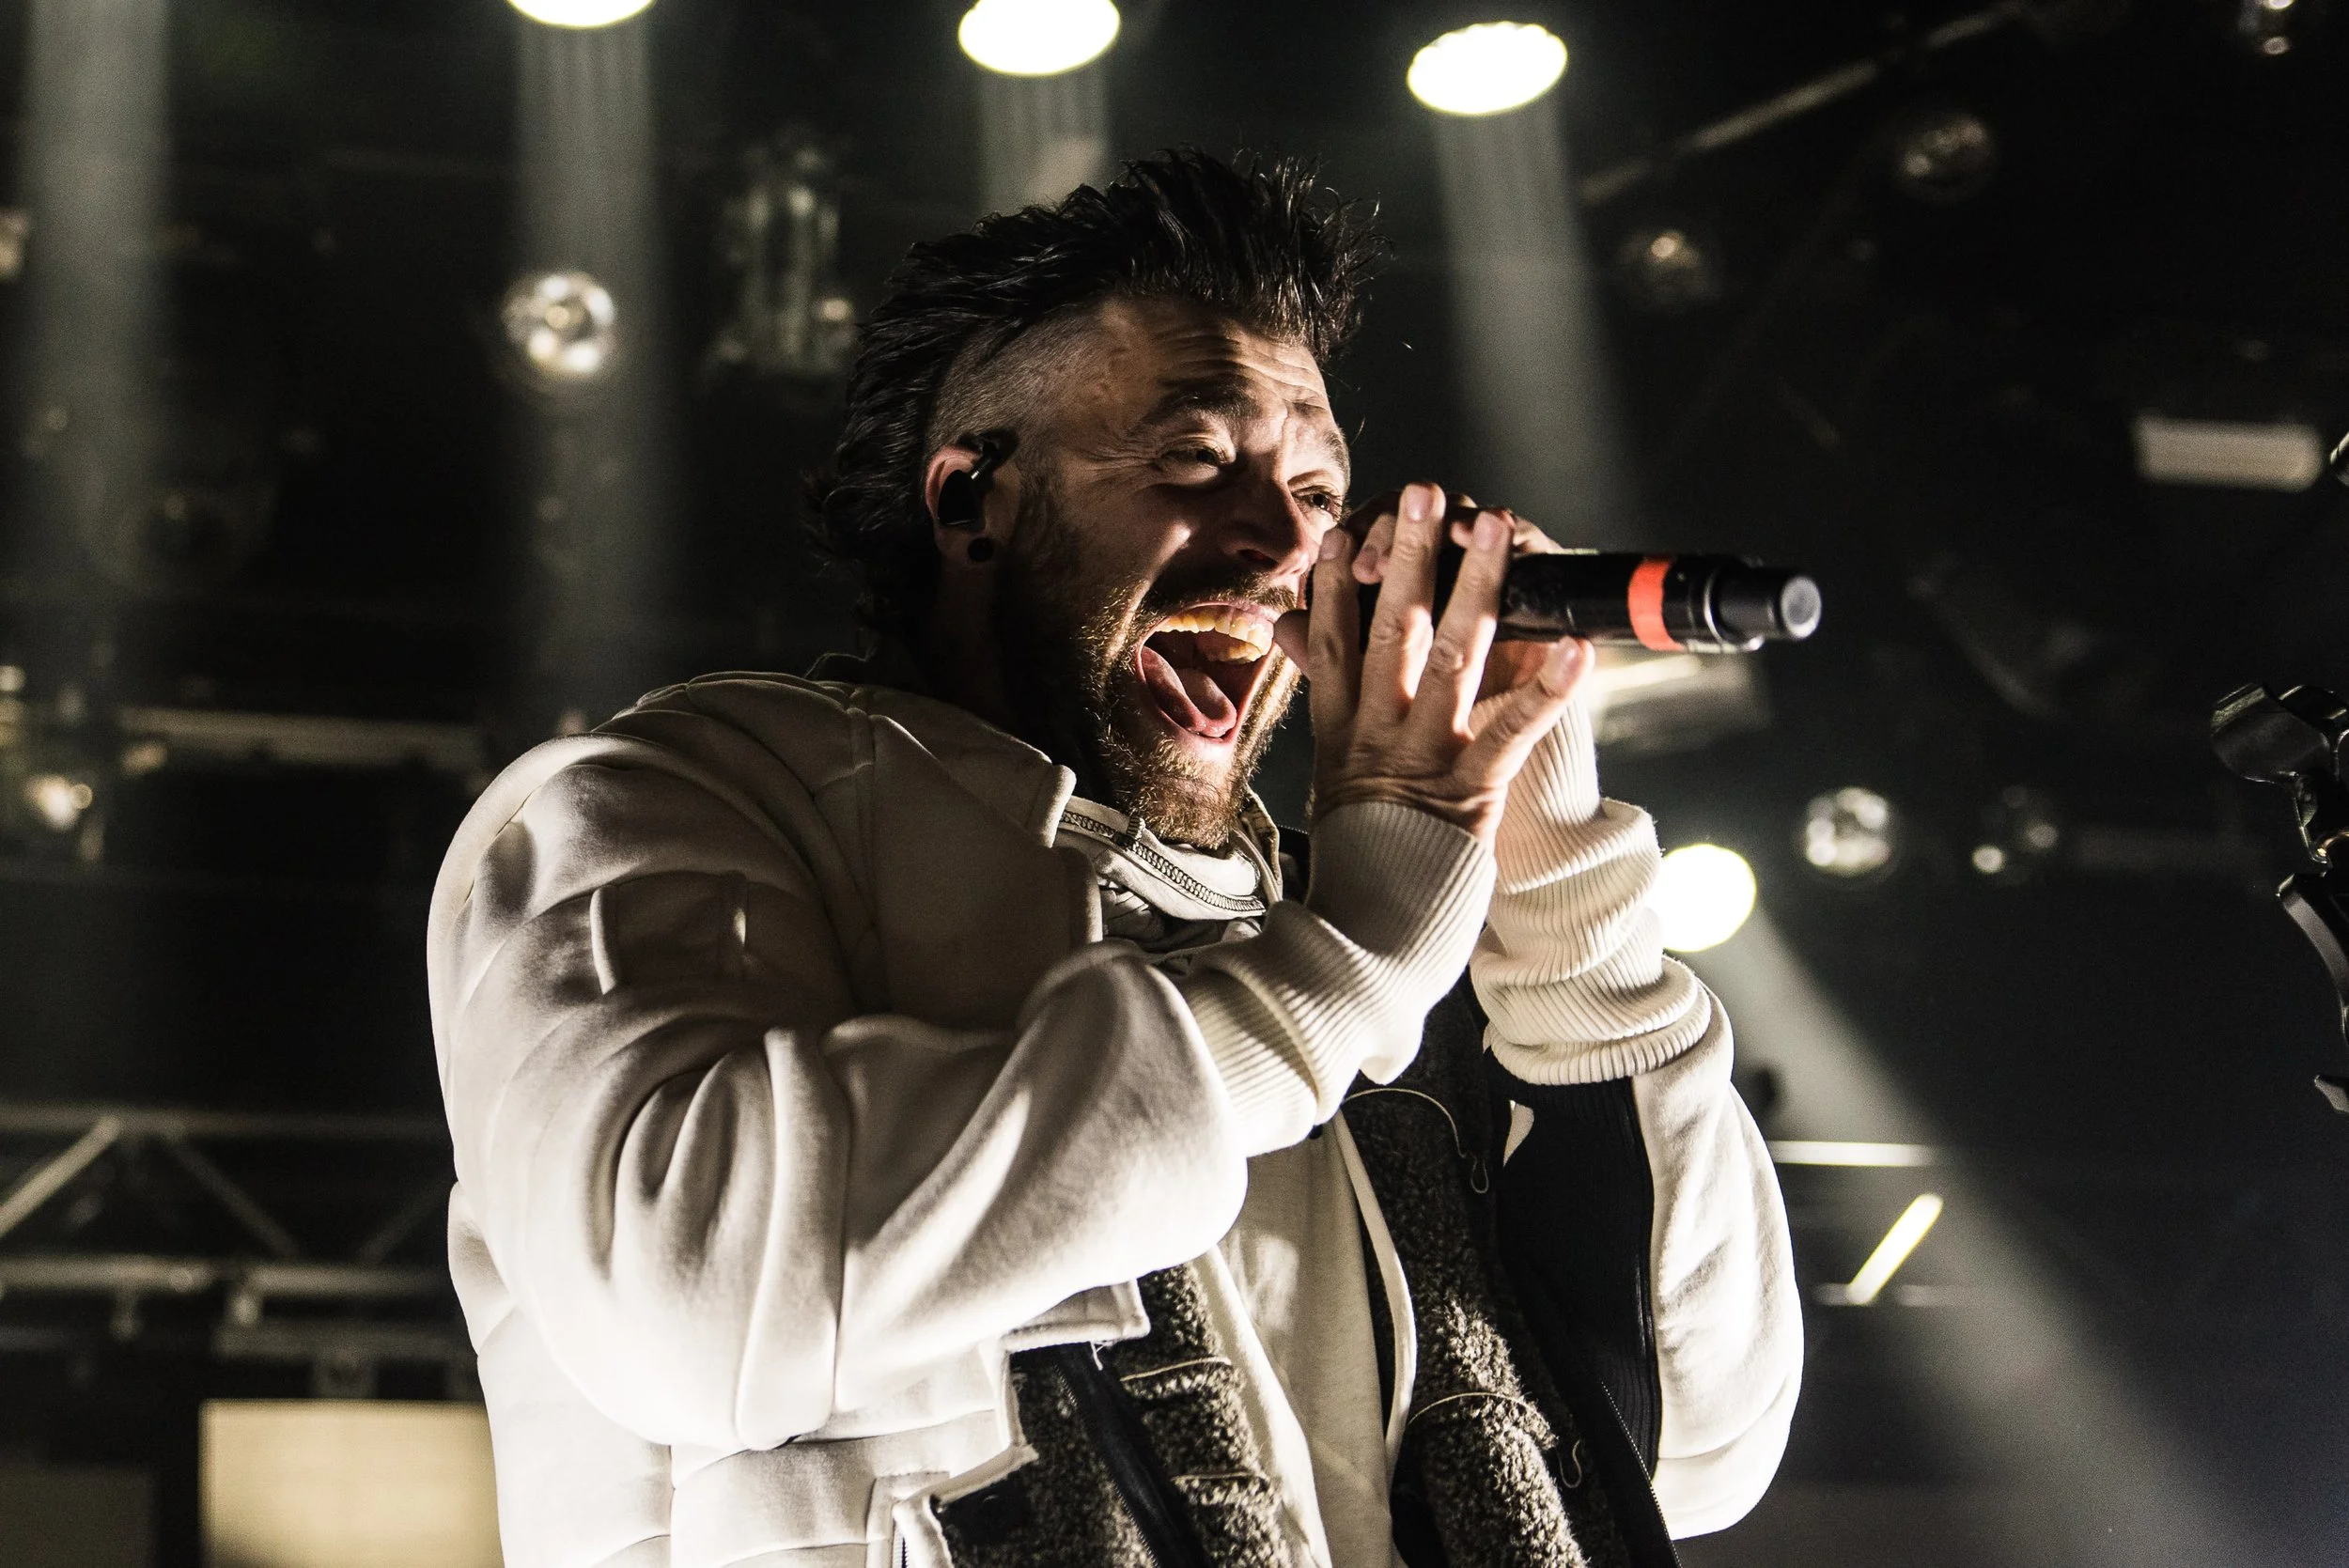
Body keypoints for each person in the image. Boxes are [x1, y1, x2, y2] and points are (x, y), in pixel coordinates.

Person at [428, 150, 1800, 1568]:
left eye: (1322, 493)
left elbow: (1699, 1441)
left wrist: (1550, 878)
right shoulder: (666, 803)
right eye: (1197, 462)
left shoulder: (1368, 939)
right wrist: (1344, 965)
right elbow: (692, 1285)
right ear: (973, 502)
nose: (1284, 547)